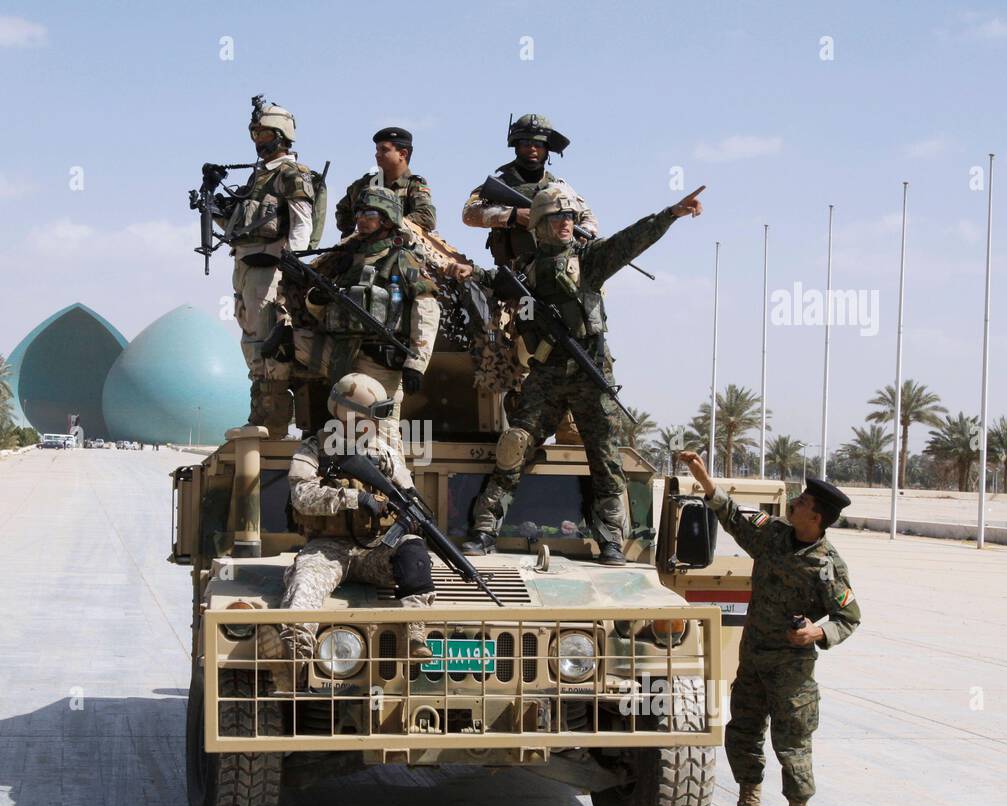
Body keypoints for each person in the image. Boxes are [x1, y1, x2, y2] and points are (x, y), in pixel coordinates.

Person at [462, 183, 705, 564]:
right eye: (558, 216)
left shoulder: (589, 260)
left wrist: (670, 214)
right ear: (539, 223)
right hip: (546, 374)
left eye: (571, 216)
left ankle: (610, 540)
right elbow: (496, 280)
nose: (567, 223)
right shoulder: (526, 268)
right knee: (514, 447)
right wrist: (469, 271)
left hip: (589, 373)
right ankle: (484, 529)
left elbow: (631, 241)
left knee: (605, 457)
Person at [678, 450, 862, 806]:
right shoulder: (774, 535)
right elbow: (731, 516)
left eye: (803, 502)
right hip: (753, 661)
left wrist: (816, 632)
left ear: (816, 518)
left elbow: (848, 616)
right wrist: (704, 479)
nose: (794, 502)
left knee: (792, 743)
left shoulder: (827, 565)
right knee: (742, 733)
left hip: (790, 671)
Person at [278, 373, 436, 661]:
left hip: (375, 548)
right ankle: (296, 657)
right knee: (303, 585)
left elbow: (408, 492)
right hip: (327, 549)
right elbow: (302, 496)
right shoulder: (314, 449)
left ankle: (415, 634)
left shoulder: (384, 453)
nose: (377, 423)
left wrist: (410, 513)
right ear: (351, 415)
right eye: (373, 416)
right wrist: (355, 498)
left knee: (413, 551)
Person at [461, 114, 595, 446]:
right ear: (515, 146)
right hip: (513, 286)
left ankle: (567, 424)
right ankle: (521, 428)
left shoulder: (560, 188)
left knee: (565, 348)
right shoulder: (499, 183)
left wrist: (584, 234)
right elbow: (470, 213)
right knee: (518, 355)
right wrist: (510, 216)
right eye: (525, 143)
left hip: (554, 284)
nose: (532, 149)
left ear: (547, 149)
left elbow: (589, 221)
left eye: (538, 144)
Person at [293, 186, 453, 449]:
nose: (360, 220)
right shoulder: (347, 260)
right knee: (285, 341)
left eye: (369, 214)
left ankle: (393, 474)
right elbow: (329, 315)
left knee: (381, 439)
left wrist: (416, 363)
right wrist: (316, 300)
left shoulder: (401, 259)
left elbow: (426, 309)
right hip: (341, 354)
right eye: (358, 214)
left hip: (379, 362)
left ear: (387, 220)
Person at [222, 95, 318, 438]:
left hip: (271, 267)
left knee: (268, 341)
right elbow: (243, 226)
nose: (259, 142)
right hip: (246, 266)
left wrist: (293, 263)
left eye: (264, 134)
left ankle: (273, 418)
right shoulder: (258, 178)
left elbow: (302, 223)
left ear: (281, 135)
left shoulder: (292, 174)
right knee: (251, 338)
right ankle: (259, 413)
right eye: (255, 135)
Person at [335, 127, 437, 237]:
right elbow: (343, 212)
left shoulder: (413, 186)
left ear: (402, 154)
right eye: (377, 150)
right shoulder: (364, 185)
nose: (377, 155)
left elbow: (427, 217)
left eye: (384, 150)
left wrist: (389, 224)